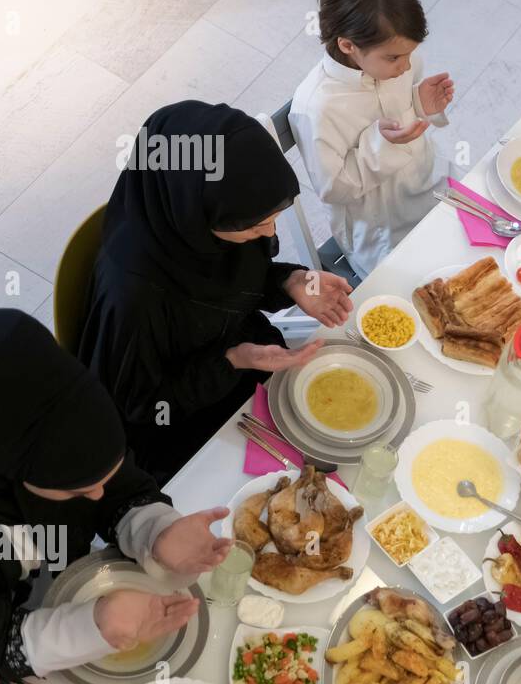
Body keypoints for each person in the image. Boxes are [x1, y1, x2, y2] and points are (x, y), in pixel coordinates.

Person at [80, 100, 353, 484]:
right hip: (183, 422)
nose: (271, 234)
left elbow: (238, 285)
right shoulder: (133, 299)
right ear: (195, 211)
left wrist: (292, 282)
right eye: (256, 225)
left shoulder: (196, 223)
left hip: (248, 359)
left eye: (274, 219)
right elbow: (142, 407)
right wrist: (234, 360)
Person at [0, 310, 231, 684]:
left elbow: (121, 490)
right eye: (78, 490)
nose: (98, 495)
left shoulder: (58, 424)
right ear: (6, 465)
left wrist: (157, 531)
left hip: (51, 584)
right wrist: (91, 627)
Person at [291, 0, 456, 278]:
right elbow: (333, 189)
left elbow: (407, 113)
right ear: (348, 45)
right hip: (381, 234)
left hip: (429, 190)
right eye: (395, 58)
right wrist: (381, 144)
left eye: (410, 54)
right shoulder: (318, 107)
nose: (407, 67)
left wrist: (420, 104)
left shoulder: (396, 63)